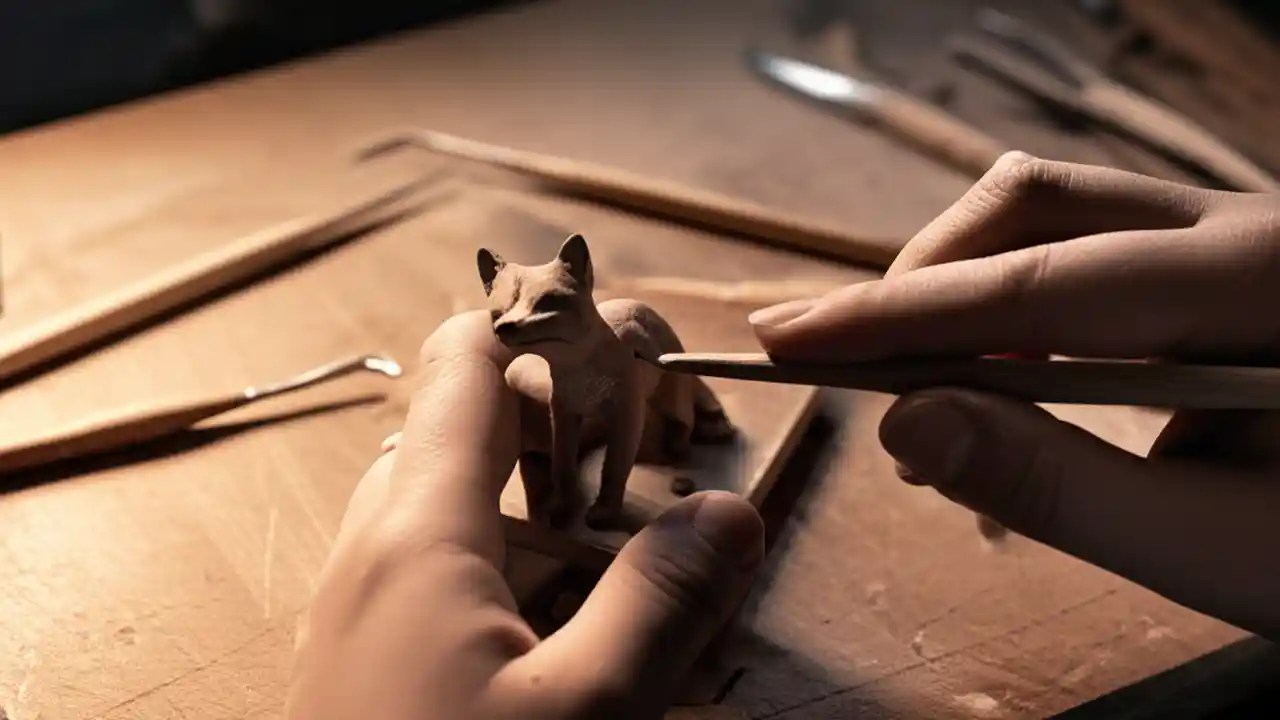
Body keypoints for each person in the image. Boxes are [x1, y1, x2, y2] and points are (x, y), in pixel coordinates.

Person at [285, 153, 1280, 719]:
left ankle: (698, 417)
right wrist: (557, 501)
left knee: (661, 408)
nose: (506, 330)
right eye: (498, 313)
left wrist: (601, 502)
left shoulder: (619, 335)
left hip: (638, 399)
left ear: (579, 287)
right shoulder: (530, 347)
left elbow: (620, 409)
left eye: (530, 311)